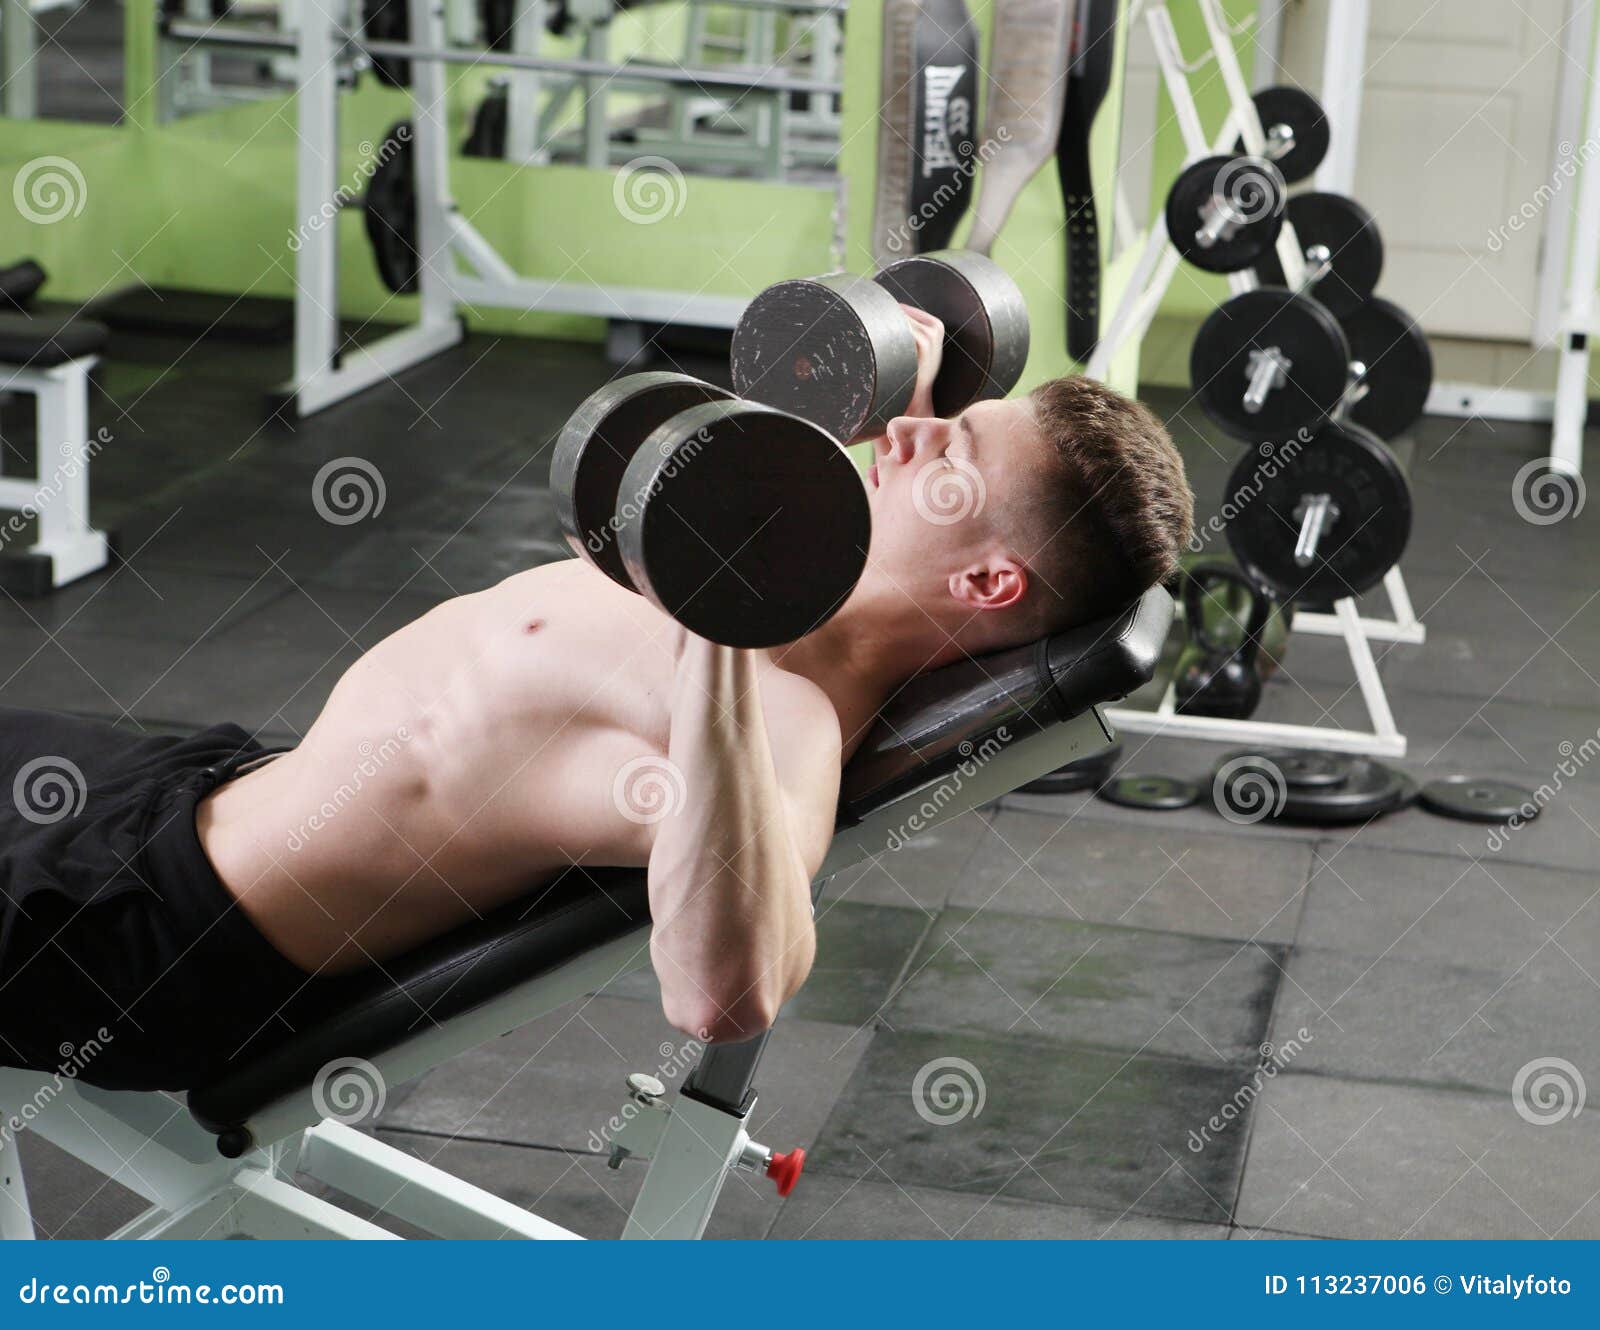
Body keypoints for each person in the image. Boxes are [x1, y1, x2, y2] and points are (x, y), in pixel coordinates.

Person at [0, 320, 1193, 1092]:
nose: (913, 429)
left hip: (130, 935)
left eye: (954, 449)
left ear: (988, 582)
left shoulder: (779, 711)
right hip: (182, 795)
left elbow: (727, 992)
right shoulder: (794, 570)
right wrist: (895, 370)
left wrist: (727, 628)